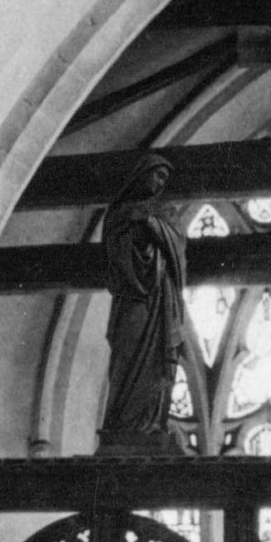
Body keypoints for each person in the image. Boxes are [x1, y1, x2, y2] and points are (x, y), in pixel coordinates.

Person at [97, 153, 187, 451]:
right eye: (156, 174)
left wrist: (150, 223)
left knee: (158, 366)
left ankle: (151, 423)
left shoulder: (164, 211)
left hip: (160, 300)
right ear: (141, 174)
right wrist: (135, 223)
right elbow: (113, 247)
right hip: (132, 296)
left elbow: (176, 247)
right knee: (127, 353)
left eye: (164, 178)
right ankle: (122, 423)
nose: (159, 182)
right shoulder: (120, 212)